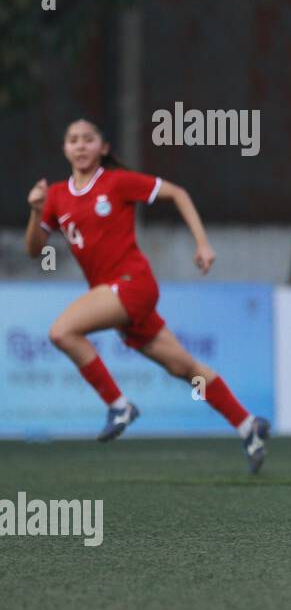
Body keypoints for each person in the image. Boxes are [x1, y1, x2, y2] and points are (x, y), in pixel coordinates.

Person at [24, 118, 270, 471]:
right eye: (73, 139)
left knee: (62, 331)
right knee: (183, 367)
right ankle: (249, 425)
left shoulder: (118, 182)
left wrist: (202, 243)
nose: (80, 145)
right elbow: (34, 249)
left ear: (103, 148)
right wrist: (36, 211)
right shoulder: (57, 195)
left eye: (88, 139)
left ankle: (118, 404)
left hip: (132, 283)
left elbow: (178, 193)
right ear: (65, 149)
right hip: (113, 294)